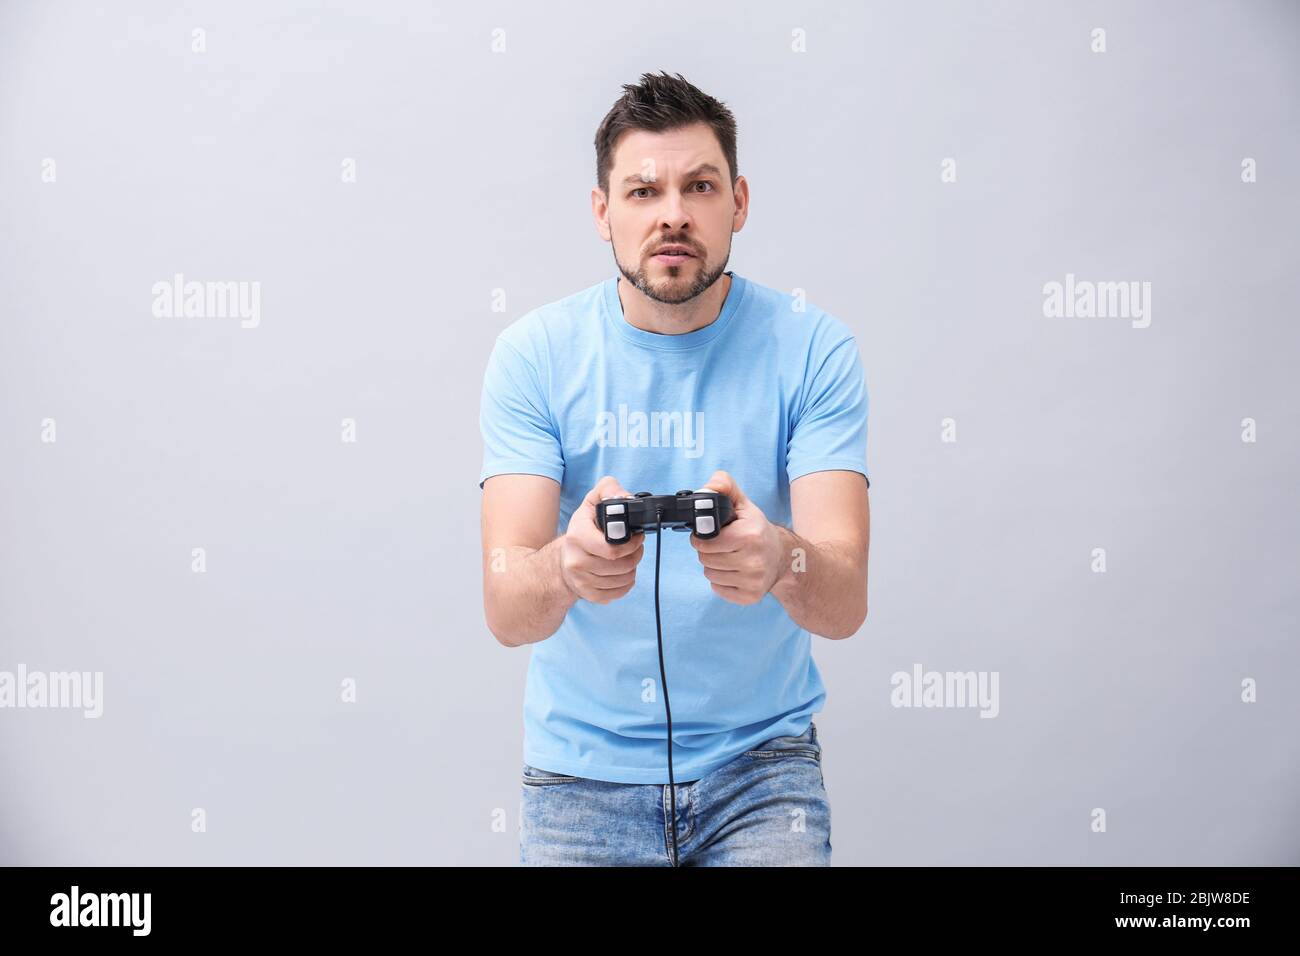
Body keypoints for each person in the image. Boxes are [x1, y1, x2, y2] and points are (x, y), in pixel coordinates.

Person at [479, 71, 871, 866]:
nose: (673, 214)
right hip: (579, 780)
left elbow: (845, 603)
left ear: (740, 202)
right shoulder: (534, 356)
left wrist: (781, 559)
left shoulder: (814, 348)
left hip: (762, 772)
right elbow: (506, 610)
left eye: (700, 186)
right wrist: (566, 566)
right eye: (642, 191)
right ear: (602, 213)